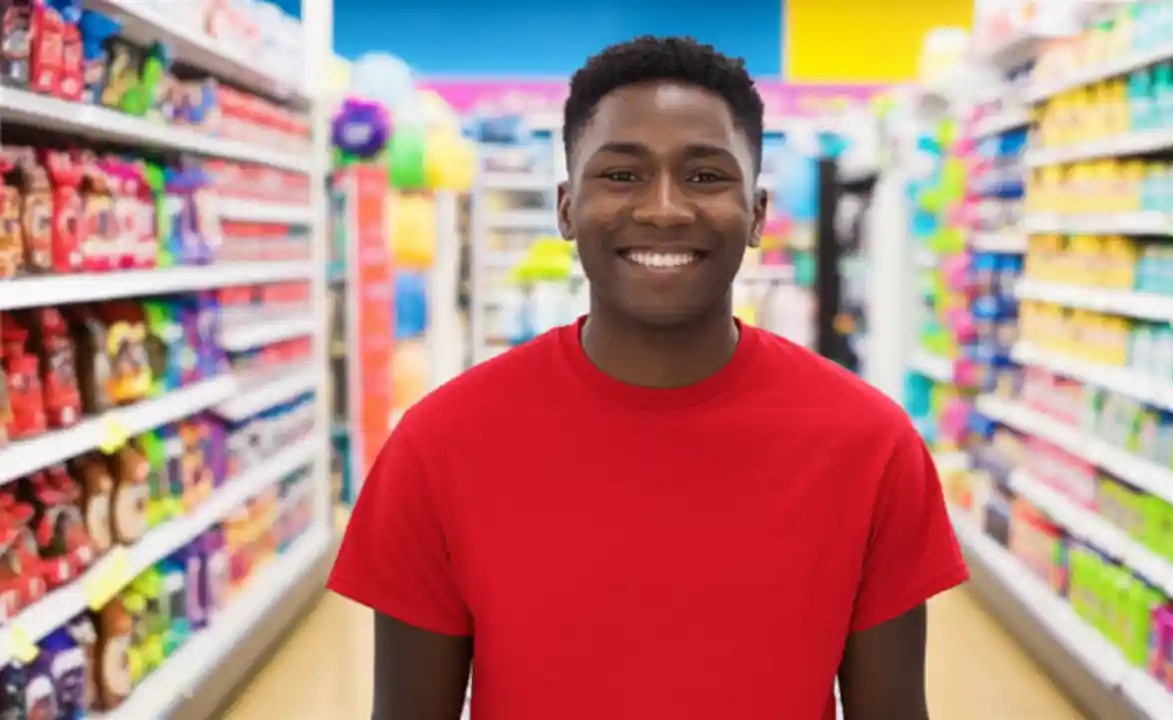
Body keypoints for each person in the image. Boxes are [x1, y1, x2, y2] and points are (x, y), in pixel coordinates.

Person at [328, 35, 968, 720]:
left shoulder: (870, 446)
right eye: (622, 175)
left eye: (706, 176)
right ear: (566, 207)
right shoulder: (441, 445)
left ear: (757, 213)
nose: (664, 209)